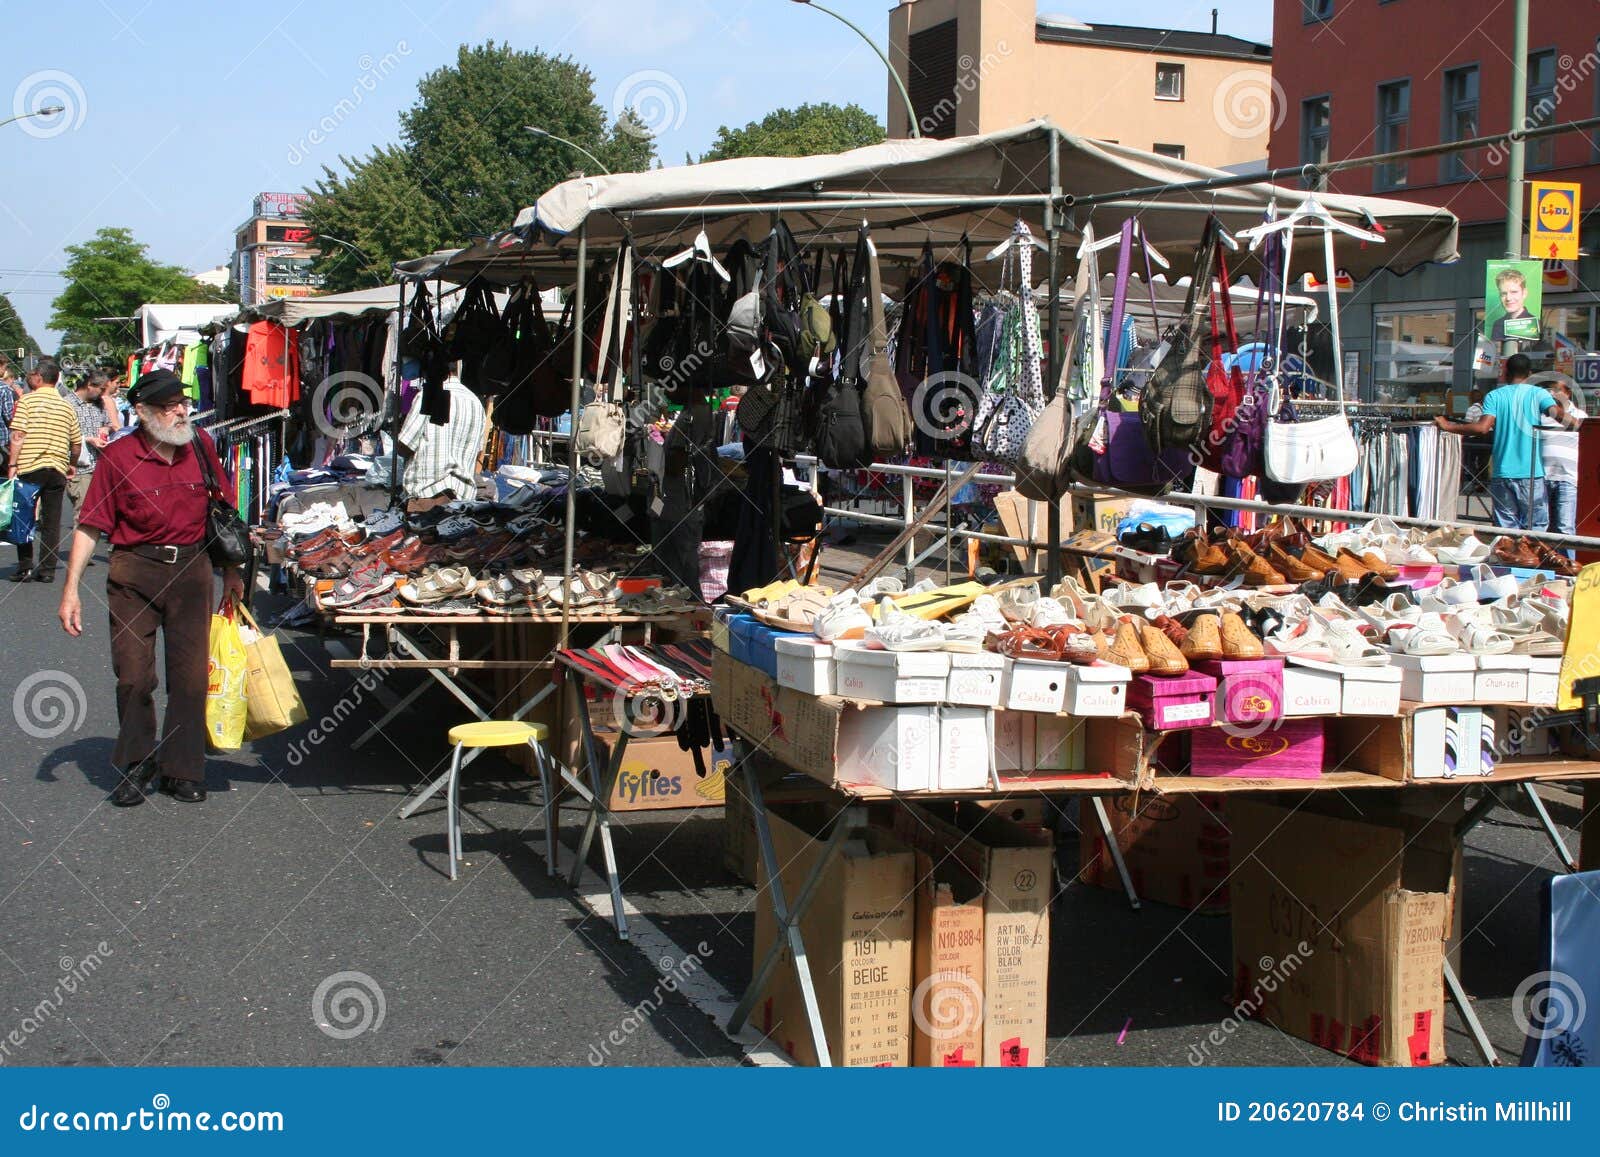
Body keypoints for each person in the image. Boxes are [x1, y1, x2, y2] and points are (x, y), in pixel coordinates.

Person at [59, 369, 244, 807]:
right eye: (168, 405)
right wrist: (69, 590)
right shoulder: (118, 458)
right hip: (134, 573)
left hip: (191, 570)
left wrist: (233, 572)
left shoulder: (201, 446)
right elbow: (90, 526)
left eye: (182, 402)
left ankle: (182, 768)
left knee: (191, 679)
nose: (180, 410)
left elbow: (225, 511)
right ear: (142, 412)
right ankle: (137, 763)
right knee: (134, 677)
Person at [1435, 353, 1579, 530]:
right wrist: (1579, 425)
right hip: (1531, 474)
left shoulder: (1494, 396)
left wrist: (1448, 426)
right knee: (1536, 529)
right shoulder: (1539, 394)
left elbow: (1482, 428)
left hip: (1502, 473)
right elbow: (1565, 419)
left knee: (1505, 530)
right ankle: (1532, 557)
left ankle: (1508, 558)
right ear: (1530, 373)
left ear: (1505, 372)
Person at [8, 358, 81, 582]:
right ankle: (48, 570)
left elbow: (18, 437)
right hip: (57, 468)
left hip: (29, 467)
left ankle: (25, 567)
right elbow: (76, 443)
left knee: (24, 517)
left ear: (39, 378)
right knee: (51, 521)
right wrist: (72, 463)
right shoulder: (66, 406)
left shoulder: (27, 402)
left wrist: (12, 464)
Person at [396, 371, 486, 513]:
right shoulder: (476, 403)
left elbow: (405, 445)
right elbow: (478, 453)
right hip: (464, 500)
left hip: (429, 498)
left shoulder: (427, 396)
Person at [1541, 380, 1585, 557]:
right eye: (1549, 390)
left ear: (1567, 393)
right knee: (1541, 526)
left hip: (1568, 477)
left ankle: (1568, 567)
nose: (1552, 393)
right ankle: (1543, 566)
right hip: (1542, 476)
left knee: (1564, 526)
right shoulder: (1542, 415)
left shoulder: (1580, 415)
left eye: (1556, 389)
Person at [65, 368, 113, 511]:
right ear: (89, 385)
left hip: (99, 465)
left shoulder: (99, 404)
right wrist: (88, 439)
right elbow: (62, 434)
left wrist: (106, 429)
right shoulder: (67, 404)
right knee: (83, 513)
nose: (103, 393)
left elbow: (108, 423)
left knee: (96, 514)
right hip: (79, 467)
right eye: (101, 389)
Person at [1489, 268, 1538, 344]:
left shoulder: (1535, 323)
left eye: (1514, 292)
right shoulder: (1498, 324)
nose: (1508, 298)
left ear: (1524, 293)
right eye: (1503, 294)